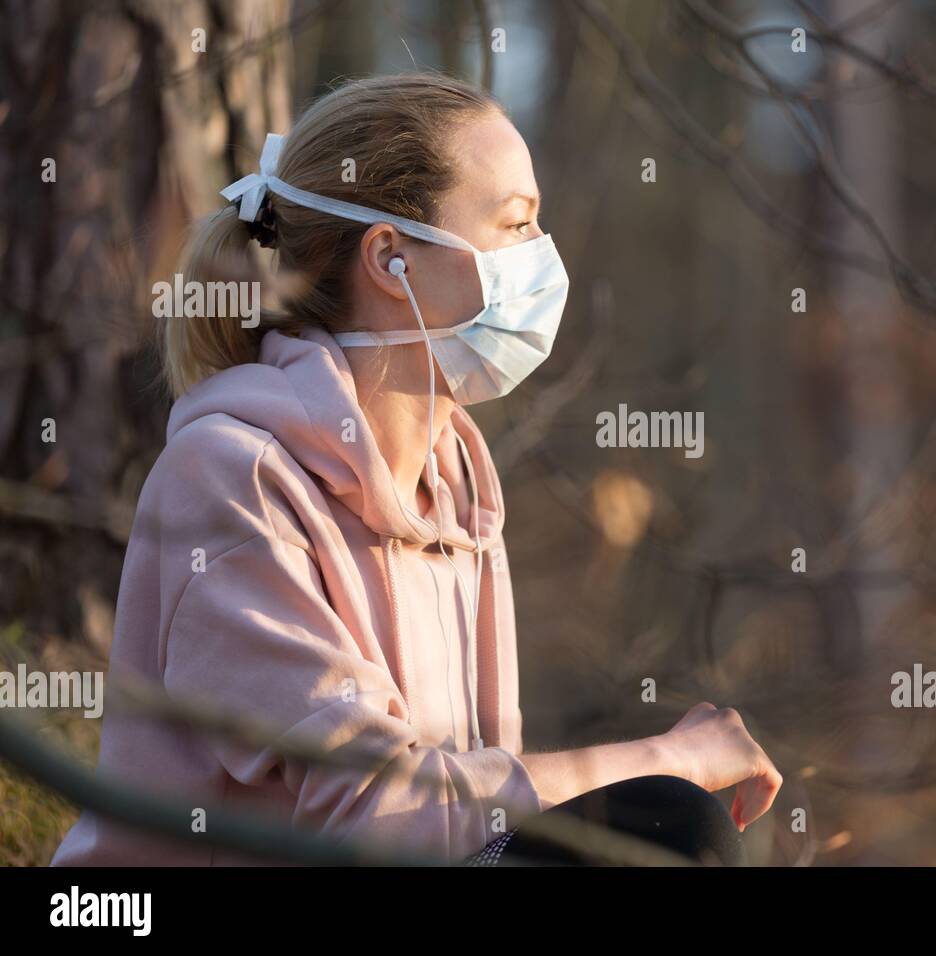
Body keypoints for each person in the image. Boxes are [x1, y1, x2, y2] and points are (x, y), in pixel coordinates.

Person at [50, 72, 781, 867]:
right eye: (516, 224)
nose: (543, 259)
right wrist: (668, 759)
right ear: (391, 259)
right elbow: (383, 816)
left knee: (661, 828)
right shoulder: (232, 479)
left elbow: (475, 824)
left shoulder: (455, 482)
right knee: (670, 816)